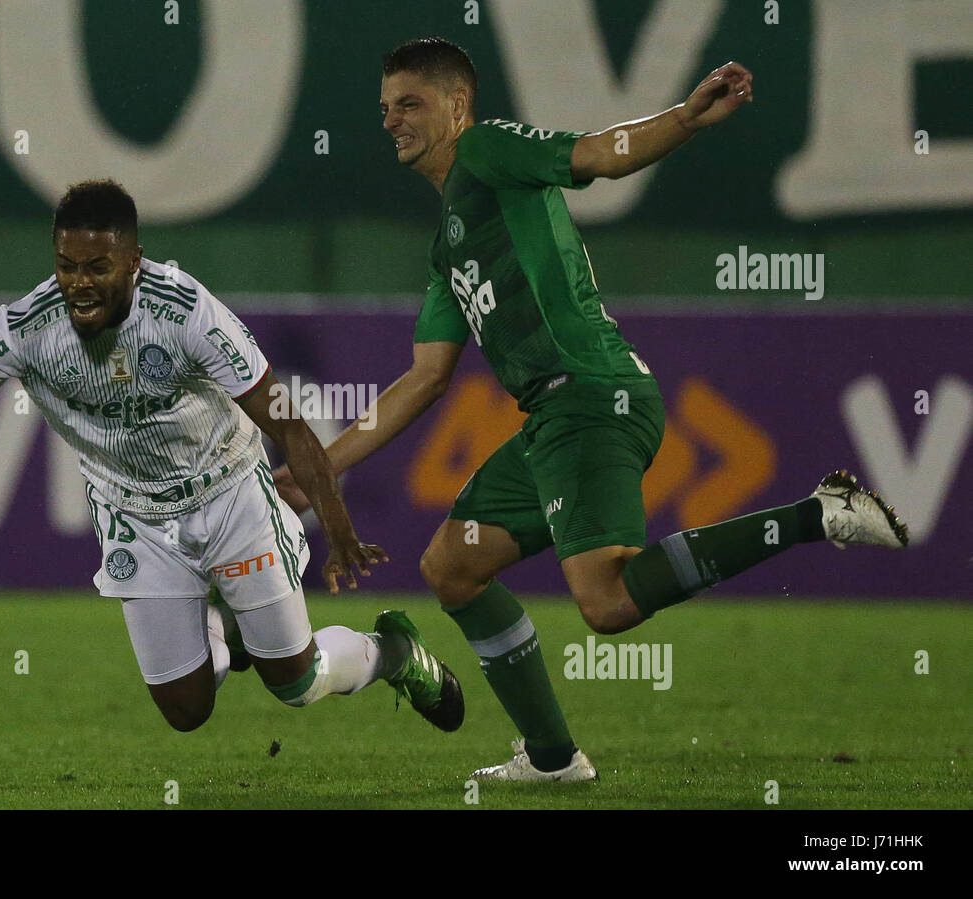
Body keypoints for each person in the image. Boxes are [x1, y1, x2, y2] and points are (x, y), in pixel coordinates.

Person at [274, 39, 907, 782]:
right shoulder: (447, 245)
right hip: (552, 421)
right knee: (453, 565)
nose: (392, 120)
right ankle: (553, 759)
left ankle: (814, 514)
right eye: (385, 109)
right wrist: (316, 471)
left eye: (410, 103)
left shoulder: (489, 150)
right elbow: (423, 379)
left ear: (457, 105)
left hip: (590, 394)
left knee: (605, 602)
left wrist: (686, 118)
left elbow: (602, 155)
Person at [0, 178, 465, 735]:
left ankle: (391, 651)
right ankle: (219, 625)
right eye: (68, 264)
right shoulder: (24, 329)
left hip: (231, 494)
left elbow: (288, 424)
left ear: (134, 260)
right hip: (135, 515)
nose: (79, 282)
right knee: (186, 712)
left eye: (97, 267)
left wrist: (334, 523)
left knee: (295, 684)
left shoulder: (187, 312)